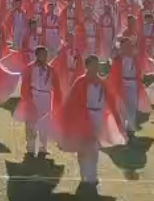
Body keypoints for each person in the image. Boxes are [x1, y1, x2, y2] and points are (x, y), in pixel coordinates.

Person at [52, 55, 126, 190]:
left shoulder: (102, 82)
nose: (96, 67)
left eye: (97, 64)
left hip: (98, 117)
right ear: (87, 66)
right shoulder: (80, 82)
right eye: (93, 64)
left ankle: (91, 176)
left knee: (94, 147)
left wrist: (118, 122)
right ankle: (85, 175)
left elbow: (111, 102)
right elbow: (71, 103)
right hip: (83, 118)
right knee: (84, 147)